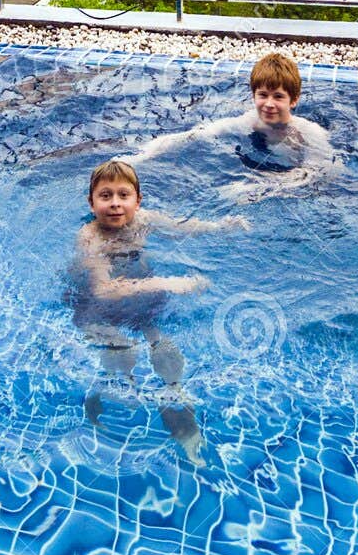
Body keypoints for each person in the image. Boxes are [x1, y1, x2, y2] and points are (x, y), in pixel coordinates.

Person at [70, 158, 248, 462]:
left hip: (140, 297)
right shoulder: (90, 237)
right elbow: (102, 289)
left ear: (138, 201)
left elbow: (182, 227)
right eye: (105, 196)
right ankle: (112, 397)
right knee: (123, 349)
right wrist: (167, 282)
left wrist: (221, 227)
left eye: (123, 195)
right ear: (91, 202)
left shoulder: (143, 220)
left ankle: (174, 393)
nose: (115, 204)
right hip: (96, 307)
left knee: (162, 345)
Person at [127, 52, 338, 201]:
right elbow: (196, 135)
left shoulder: (309, 132)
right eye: (262, 95)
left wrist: (258, 187)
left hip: (296, 188)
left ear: (294, 100)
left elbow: (318, 172)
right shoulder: (247, 121)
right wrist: (141, 156)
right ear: (253, 95)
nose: (269, 104)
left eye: (278, 97)